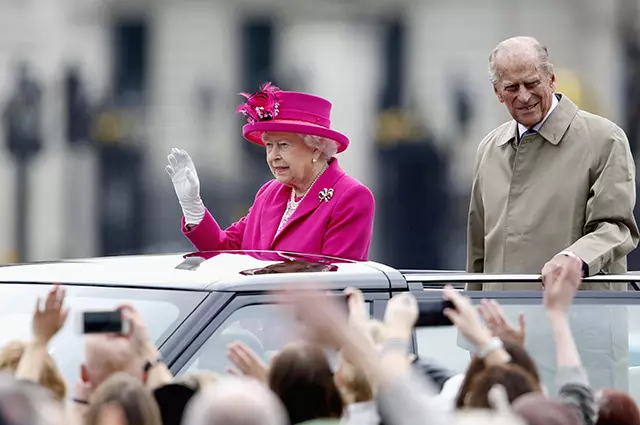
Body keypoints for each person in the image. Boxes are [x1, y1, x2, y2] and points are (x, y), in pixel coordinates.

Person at [466, 36, 639, 291]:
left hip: (578, 317)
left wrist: (574, 259)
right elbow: (477, 252)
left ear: (551, 79)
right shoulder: (489, 149)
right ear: (497, 92)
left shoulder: (605, 139)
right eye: (512, 87)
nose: (524, 96)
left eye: (532, 83)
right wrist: (472, 324)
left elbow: (617, 228)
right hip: (502, 321)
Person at [166, 83, 375, 261]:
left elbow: (337, 285)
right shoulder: (270, 193)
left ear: (316, 146)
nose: (273, 156)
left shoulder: (350, 196)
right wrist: (192, 207)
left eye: (283, 145)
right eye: (268, 146)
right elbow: (226, 252)